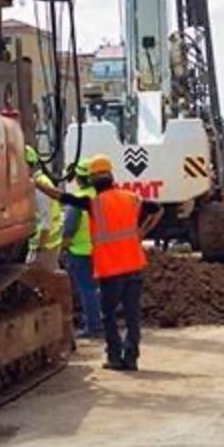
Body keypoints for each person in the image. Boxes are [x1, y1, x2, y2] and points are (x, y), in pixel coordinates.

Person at [37, 154, 164, 371]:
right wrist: (143, 231)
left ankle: (114, 357)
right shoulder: (132, 198)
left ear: (93, 181)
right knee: (132, 316)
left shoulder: (94, 204)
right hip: (133, 266)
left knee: (109, 316)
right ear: (112, 176)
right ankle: (131, 358)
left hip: (111, 269)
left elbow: (62, 197)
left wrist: (37, 184)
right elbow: (158, 209)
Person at [62, 159, 102, 339]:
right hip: (101, 251)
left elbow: (69, 229)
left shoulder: (77, 201)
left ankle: (93, 326)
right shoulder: (101, 197)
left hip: (80, 252)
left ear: (78, 178)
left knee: (87, 290)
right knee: (100, 289)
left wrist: (62, 247)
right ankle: (103, 321)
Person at [24, 146, 63, 273]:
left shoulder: (39, 186)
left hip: (46, 246)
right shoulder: (38, 182)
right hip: (47, 243)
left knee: (45, 279)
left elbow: (46, 221)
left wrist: (39, 250)